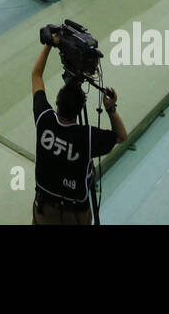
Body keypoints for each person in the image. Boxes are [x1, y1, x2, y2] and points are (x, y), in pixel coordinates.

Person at [30, 41, 125, 225]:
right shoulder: (88, 137)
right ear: (81, 107)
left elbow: (36, 75)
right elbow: (121, 136)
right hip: (74, 216)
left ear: (57, 100)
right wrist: (110, 109)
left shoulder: (44, 120)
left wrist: (49, 44)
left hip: (44, 211)